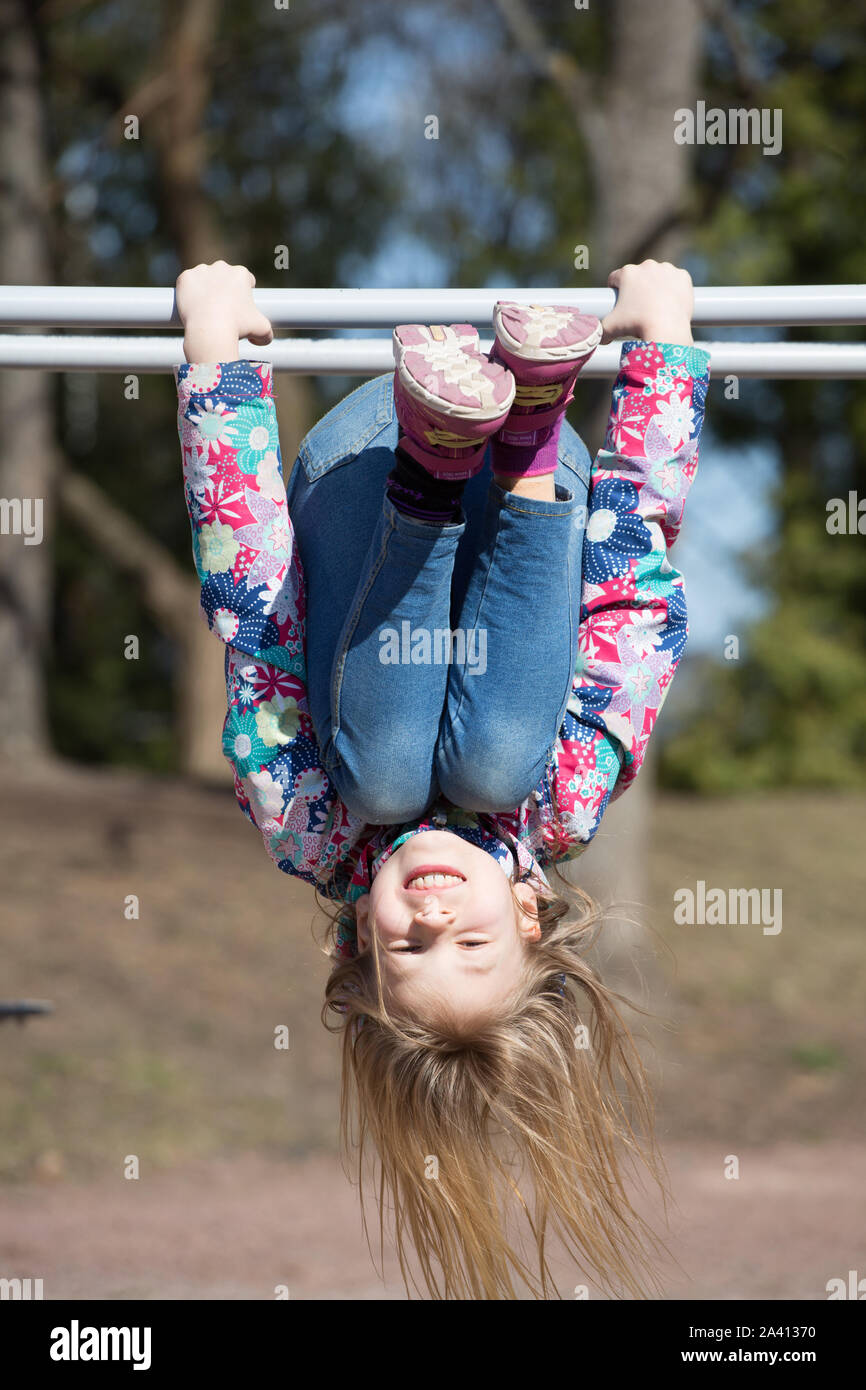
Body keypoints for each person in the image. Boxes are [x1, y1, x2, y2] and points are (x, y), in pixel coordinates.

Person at [174, 259, 711, 1298]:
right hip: (534, 451)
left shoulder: (311, 826)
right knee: (500, 761)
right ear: (525, 909)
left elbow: (256, 614)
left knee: (376, 784)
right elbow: (628, 593)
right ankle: (503, 443)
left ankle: (436, 462)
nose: (427, 916)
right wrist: (661, 349)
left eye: (408, 948)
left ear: (360, 945)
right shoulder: (560, 794)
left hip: (360, 470)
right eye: (465, 942)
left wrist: (216, 364)